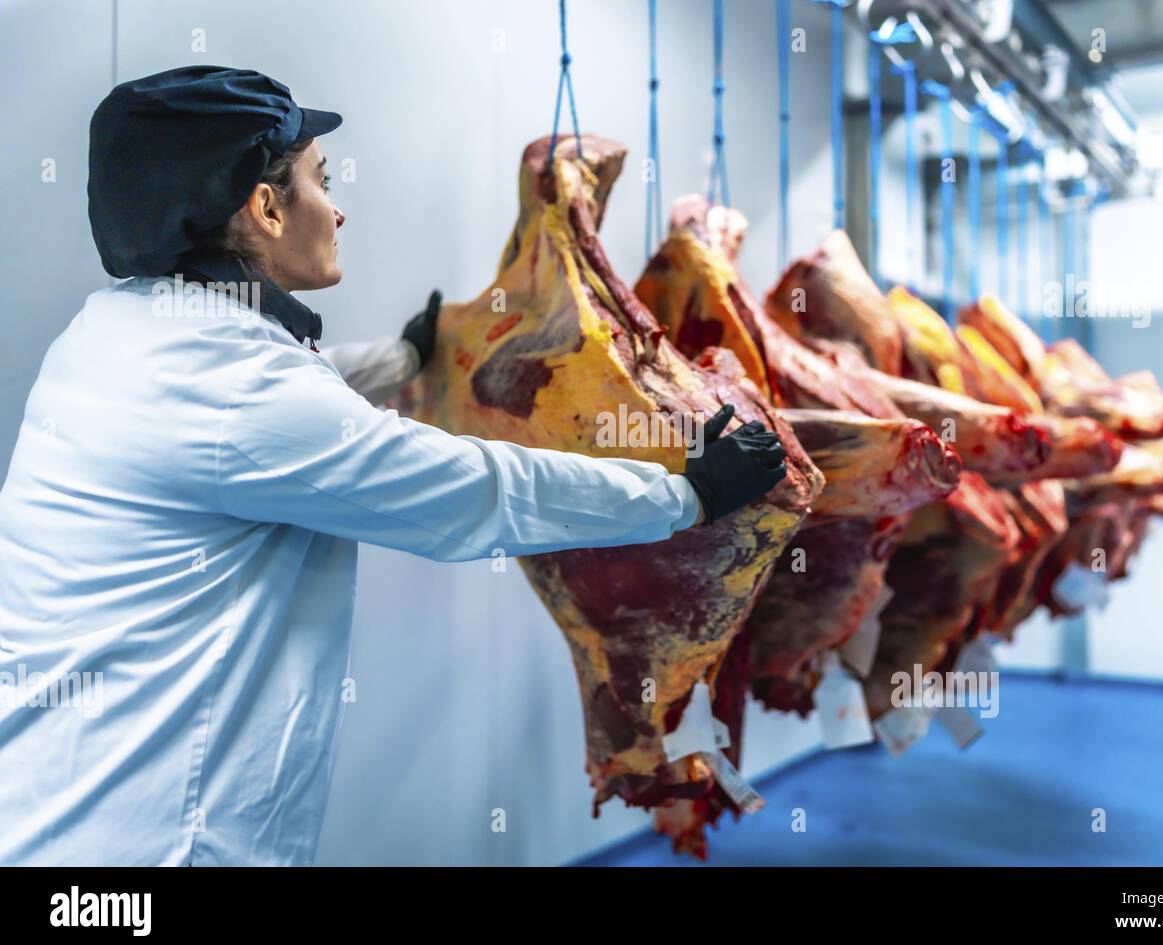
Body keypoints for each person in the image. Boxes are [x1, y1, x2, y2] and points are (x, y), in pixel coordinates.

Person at [0, 66, 787, 865]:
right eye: (321, 182)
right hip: (142, 845)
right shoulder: (237, 390)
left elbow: (270, 418)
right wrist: (686, 495)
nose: (337, 208)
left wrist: (401, 357)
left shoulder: (115, 337)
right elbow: (471, 492)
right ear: (265, 209)